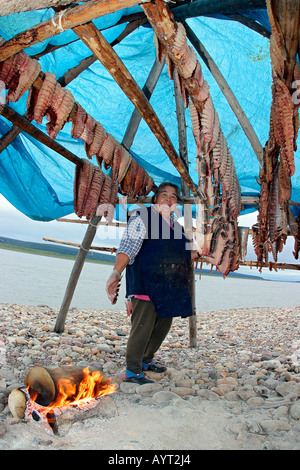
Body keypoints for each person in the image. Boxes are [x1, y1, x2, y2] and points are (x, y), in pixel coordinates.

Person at [106, 182, 198, 384]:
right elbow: (128, 247)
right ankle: (133, 370)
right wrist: (116, 272)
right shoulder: (142, 217)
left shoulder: (177, 226)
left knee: (163, 325)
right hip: (145, 284)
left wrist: (203, 252)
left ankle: (146, 361)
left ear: (177, 203)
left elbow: (184, 255)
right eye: (164, 194)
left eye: (173, 196)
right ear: (155, 198)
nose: (169, 199)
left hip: (168, 287)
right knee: (143, 327)